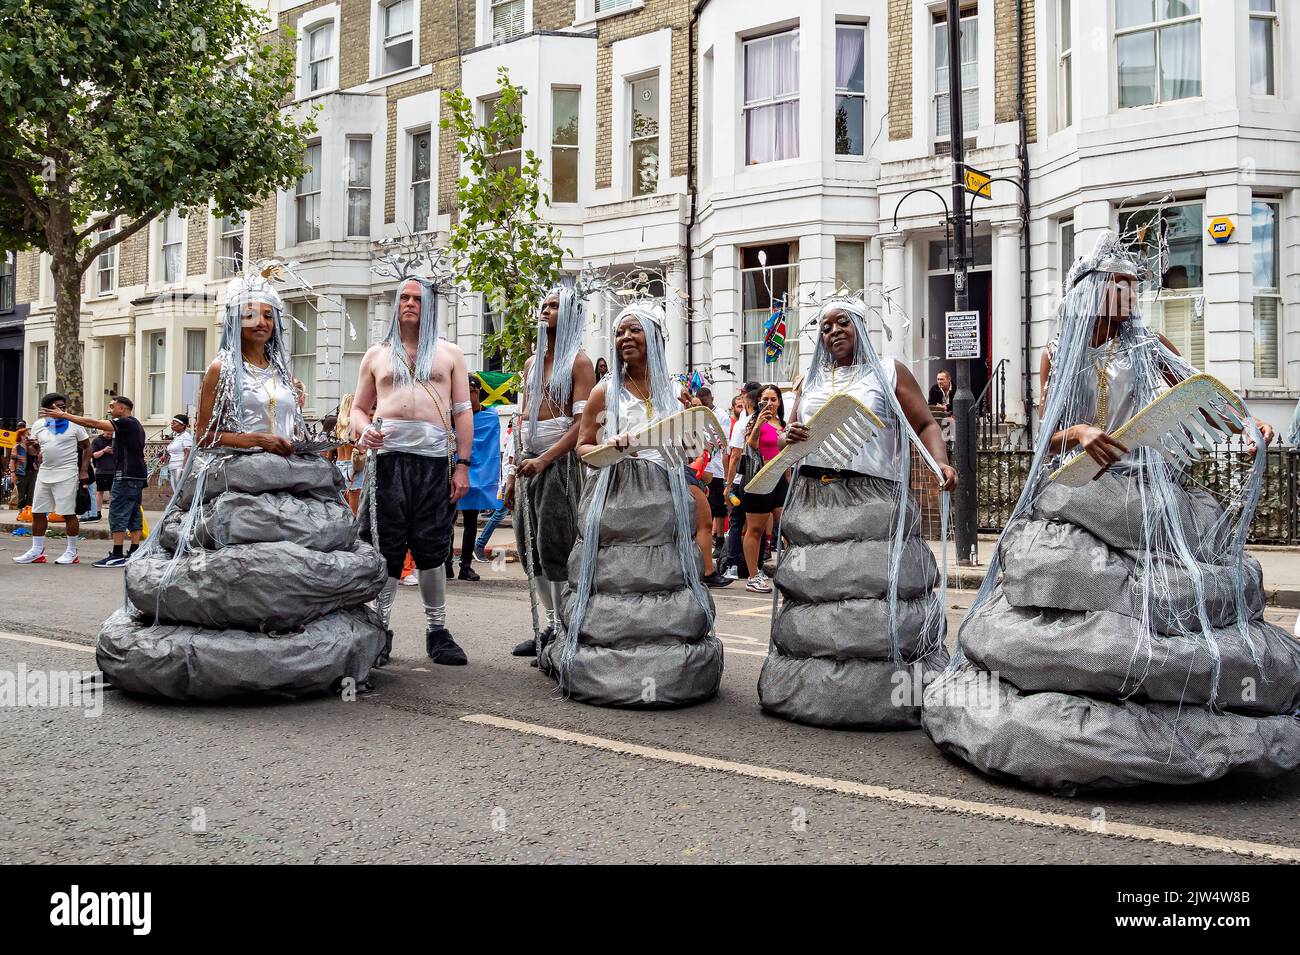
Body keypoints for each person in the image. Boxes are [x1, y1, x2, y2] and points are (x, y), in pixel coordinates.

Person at [922, 232, 1300, 791]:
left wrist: (1246, 425)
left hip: (1149, 492)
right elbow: (1049, 436)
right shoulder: (1060, 352)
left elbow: (1196, 399)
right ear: (1092, 292)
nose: (1127, 296)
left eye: (1132, 286)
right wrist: (1080, 431)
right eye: (1116, 286)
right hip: (1083, 493)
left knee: (1158, 601)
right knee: (1076, 592)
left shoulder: (1152, 347)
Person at [91, 272, 386, 700]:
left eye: (269, 316)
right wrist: (255, 441)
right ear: (235, 320)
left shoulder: (284, 372)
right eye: (252, 315)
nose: (261, 323)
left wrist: (296, 442)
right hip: (237, 476)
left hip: (289, 477)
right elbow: (204, 434)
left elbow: (288, 424)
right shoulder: (221, 368)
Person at [759, 298, 957, 730]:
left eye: (842, 322)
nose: (833, 331)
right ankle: (815, 694)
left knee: (867, 598)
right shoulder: (808, 381)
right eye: (825, 327)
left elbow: (924, 424)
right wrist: (792, 437)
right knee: (819, 600)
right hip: (816, 498)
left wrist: (938, 461)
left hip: (872, 499)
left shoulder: (889, 372)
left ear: (862, 327)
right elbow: (793, 439)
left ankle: (880, 699)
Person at [541, 301, 722, 707]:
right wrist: (608, 445)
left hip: (664, 494)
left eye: (635, 330)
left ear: (656, 339)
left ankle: (668, 667)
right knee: (620, 578)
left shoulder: (673, 394)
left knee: (663, 577)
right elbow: (584, 447)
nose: (625, 338)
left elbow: (688, 447)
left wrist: (697, 440)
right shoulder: (606, 390)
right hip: (618, 494)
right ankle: (609, 668)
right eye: (620, 332)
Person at [353, 275, 474, 667]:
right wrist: (364, 429)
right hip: (387, 461)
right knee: (383, 547)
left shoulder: (449, 354)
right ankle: (380, 631)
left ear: (429, 306)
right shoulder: (377, 354)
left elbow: (462, 412)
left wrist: (463, 466)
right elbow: (358, 410)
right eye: (403, 297)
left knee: (432, 548)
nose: (409, 303)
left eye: (417, 299)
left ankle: (437, 632)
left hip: (434, 463)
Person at [506, 285, 595, 657]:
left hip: (559, 464)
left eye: (555, 306)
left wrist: (546, 460)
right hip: (529, 462)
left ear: (571, 314)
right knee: (530, 551)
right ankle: (550, 625)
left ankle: (565, 627)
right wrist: (512, 473)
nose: (545, 311)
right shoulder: (530, 363)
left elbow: (583, 424)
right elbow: (523, 419)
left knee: (554, 546)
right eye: (544, 305)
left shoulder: (579, 362)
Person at [46, 396, 148, 567]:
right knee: (133, 513)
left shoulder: (127, 422)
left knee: (118, 513)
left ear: (122, 408)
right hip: (135, 475)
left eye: (112, 406)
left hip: (127, 475)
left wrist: (64, 415)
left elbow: (94, 423)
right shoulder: (133, 424)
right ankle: (134, 551)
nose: (109, 410)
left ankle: (117, 554)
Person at [14, 394, 90, 565]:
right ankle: (37, 551)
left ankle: (72, 552)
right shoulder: (39, 425)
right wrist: (32, 448)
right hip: (45, 471)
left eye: (63, 406)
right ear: (47, 409)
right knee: (37, 511)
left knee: (68, 512)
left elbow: (87, 447)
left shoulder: (74, 424)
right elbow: (36, 453)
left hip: (67, 472)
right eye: (58, 406)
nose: (62, 410)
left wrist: (84, 470)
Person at [445, 375, 501, 582]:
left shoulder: (490, 416)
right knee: (447, 521)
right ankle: (446, 564)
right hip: (453, 471)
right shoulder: (451, 415)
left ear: (475, 392)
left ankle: (465, 566)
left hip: (477, 474)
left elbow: (491, 450)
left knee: (470, 521)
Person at [739, 384, 789, 594]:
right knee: (755, 529)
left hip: (780, 479)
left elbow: (788, 455)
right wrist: (759, 422)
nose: (769, 403)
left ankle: (794, 569)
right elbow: (750, 446)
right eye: (764, 399)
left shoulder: (784, 424)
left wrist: (790, 482)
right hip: (759, 479)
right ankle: (753, 576)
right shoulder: (753, 421)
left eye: (773, 399)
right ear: (758, 402)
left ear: (779, 402)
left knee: (789, 527)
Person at [334, 394, 365, 514]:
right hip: (353, 465)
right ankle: (354, 531)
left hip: (339, 464)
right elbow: (359, 447)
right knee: (355, 509)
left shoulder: (339, 424)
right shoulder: (355, 423)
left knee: (342, 504)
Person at [86, 426, 115, 521]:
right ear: (103, 430)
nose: (109, 436)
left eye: (111, 434)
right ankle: (98, 512)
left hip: (114, 470)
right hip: (101, 471)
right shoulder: (97, 441)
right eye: (108, 434)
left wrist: (114, 452)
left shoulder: (115, 440)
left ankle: (113, 513)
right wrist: (104, 451)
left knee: (113, 493)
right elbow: (93, 455)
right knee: (100, 492)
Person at [163, 414, 193, 494]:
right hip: (172, 467)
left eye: (174, 423)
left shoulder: (186, 436)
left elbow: (188, 454)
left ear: (182, 425)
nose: (171, 424)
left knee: (180, 491)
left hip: (179, 468)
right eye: (172, 422)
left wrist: (183, 470)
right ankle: (177, 505)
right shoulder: (177, 436)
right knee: (175, 491)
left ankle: (182, 506)